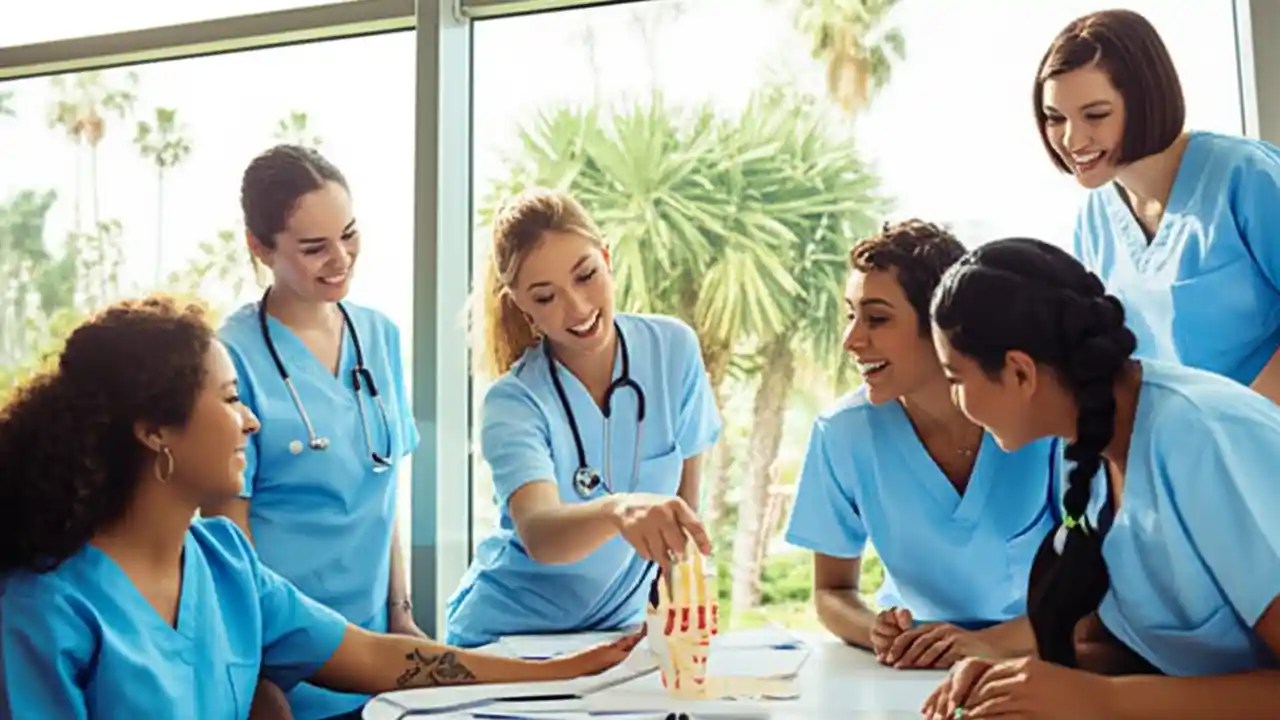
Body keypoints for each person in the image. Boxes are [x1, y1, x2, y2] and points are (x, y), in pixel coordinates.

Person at [0, 295, 640, 720]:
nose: (250, 420)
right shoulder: (45, 608)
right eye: (228, 400)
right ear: (154, 432)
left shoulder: (223, 564)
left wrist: (560, 671)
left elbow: (369, 656)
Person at [921, 238, 1280, 719]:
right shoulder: (1089, 449)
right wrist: (1011, 678)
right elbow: (1155, 658)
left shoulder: (1201, 438)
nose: (953, 400)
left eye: (954, 378)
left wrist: (1103, 701)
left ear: (1019, 372)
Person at [445, 188, 722, 648]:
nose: (575, 307)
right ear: (521, 306)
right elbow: (540, 534)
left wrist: (679, 628)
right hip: (509, 639)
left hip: (613, 639)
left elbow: (683, 523)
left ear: (606, 258)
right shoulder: (514, 402)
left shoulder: (672, 351)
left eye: (586, 275)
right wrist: (618, 511)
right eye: (545, 296)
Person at [201, 144, 420, 719]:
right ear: (259, 246)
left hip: (378, 659)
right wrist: (252, 670)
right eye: (314, 248)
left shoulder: (380, 337)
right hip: (288, 669)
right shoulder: (231, 357)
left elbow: (384, 490)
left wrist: (401, 612)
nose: (341, 258)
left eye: (349, 235)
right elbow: (230, 537)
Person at [784, 220, 1056, 670]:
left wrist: (984, 645)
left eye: (877, 318)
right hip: (911, 670)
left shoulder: (1039, 425)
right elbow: (831, 592)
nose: (851, 340)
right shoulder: (843, 433)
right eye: (850, 315)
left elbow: (1094, 606)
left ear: (942, 323)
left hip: (1035, 658)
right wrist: (876, 629)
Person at [1035, 9, 1280, 402]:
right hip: (1189, 447)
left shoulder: (1247, 178)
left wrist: (1242, 429)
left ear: (1145, 99)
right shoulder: (1094, 222)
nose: (1072, 139)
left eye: (1095, 115)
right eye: (1054, 118)